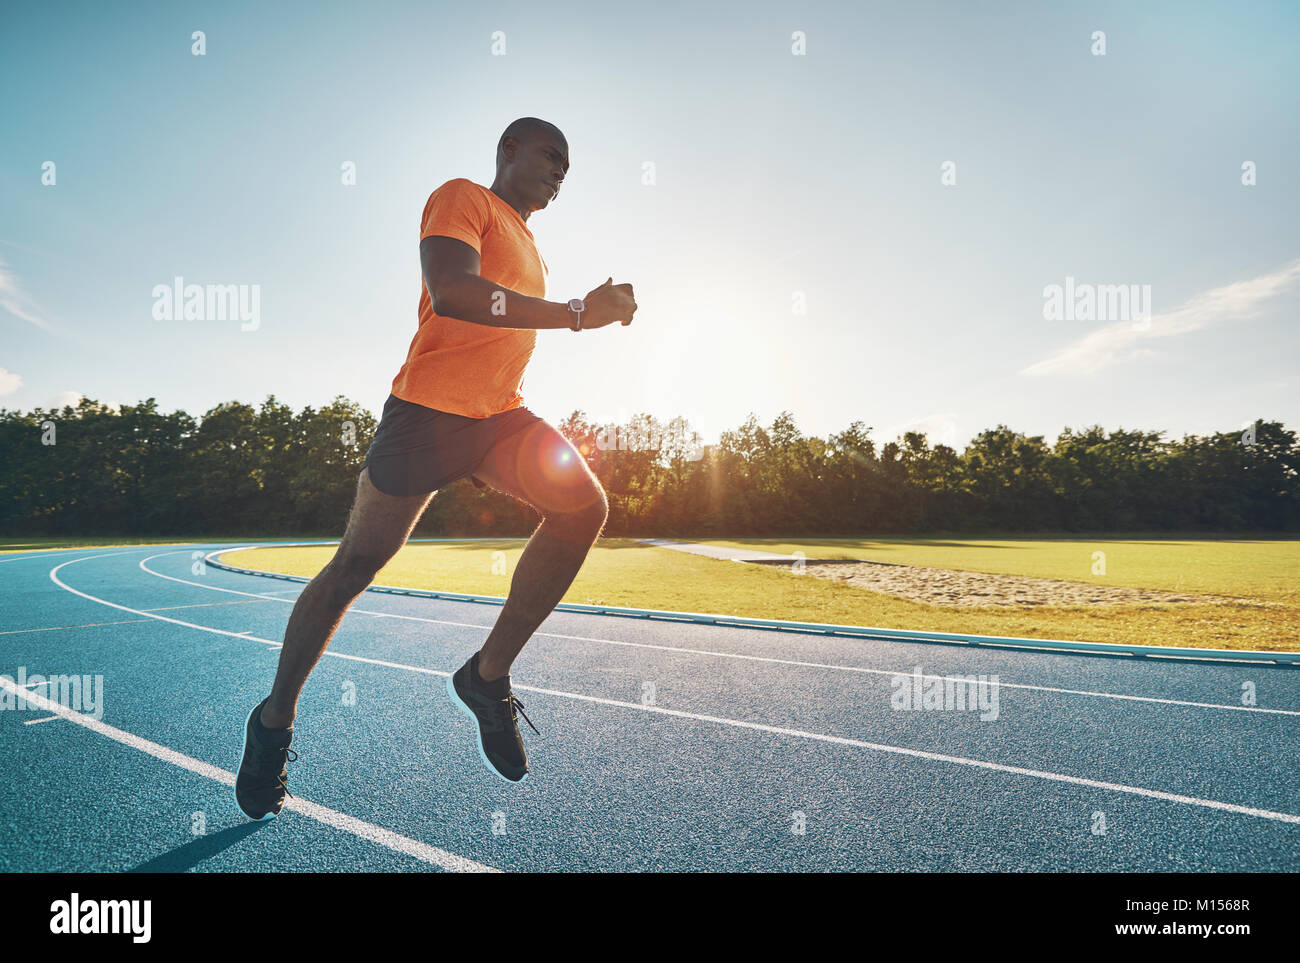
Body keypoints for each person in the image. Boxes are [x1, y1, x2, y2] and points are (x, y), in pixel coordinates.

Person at [235, 117, 637, 819]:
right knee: (353, 567)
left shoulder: (532, 245)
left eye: (570, 165)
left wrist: (577, 310)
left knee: (584, 506)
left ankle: (487, 677)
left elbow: (508, 317)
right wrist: (576, 312)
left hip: (499, 417)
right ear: (508, 149)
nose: (562, 170)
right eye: (551, 154)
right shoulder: (462, 198)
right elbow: (453, 290)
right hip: (427, 412)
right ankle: (273, 722)